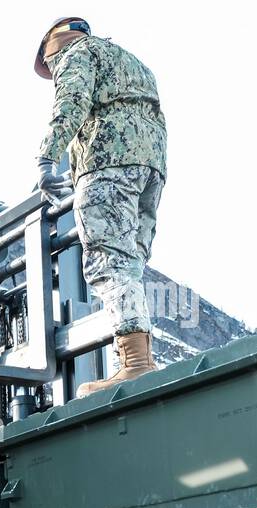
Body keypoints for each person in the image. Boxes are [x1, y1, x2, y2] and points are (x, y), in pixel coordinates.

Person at [34, 16, 167, 397]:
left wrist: (47, 158)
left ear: (53, 49)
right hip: (151, 168)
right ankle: (140, 358)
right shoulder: (130, 62)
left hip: (106, 162)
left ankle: (135, 364)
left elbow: (71, 102)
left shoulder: (77, 55)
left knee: (109, 261)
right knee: (131, 262)